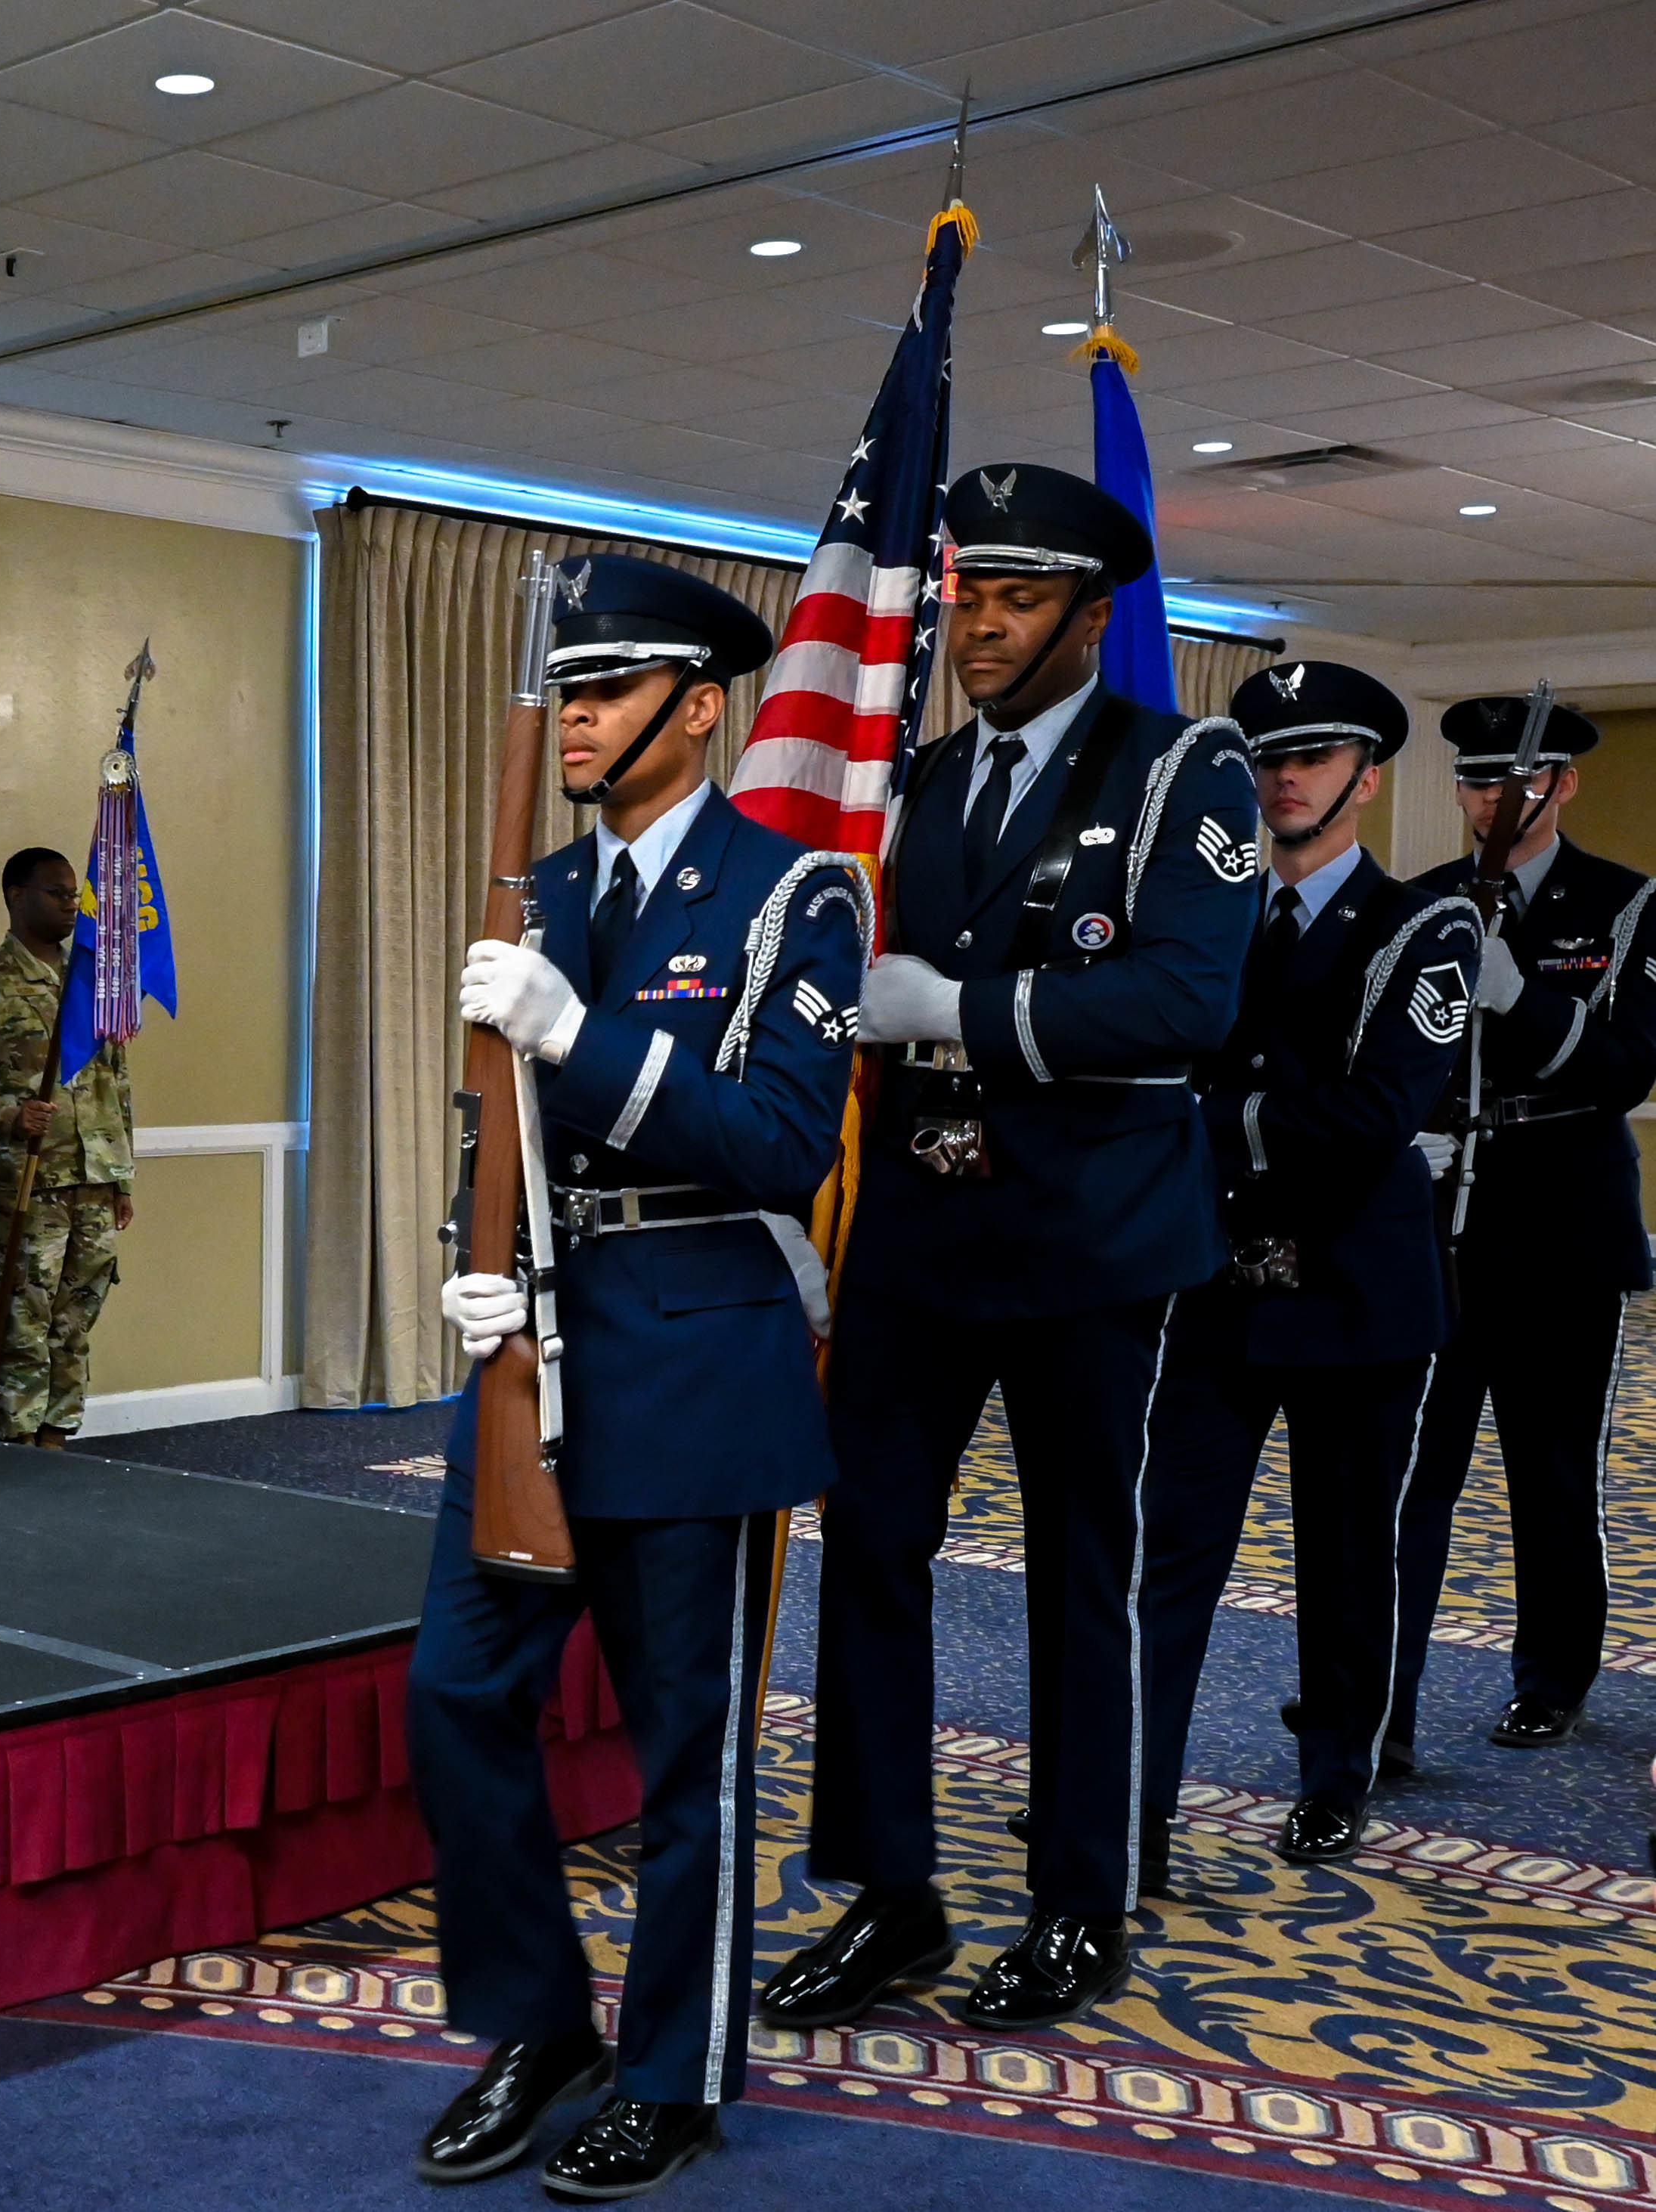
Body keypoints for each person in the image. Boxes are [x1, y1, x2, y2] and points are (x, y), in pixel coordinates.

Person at [768, 465, 1257, 2034]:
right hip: (919, 1219)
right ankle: (892, 1888)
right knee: (873, 1550)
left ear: (1092, 616)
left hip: (1090, 1233)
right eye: (972, 591)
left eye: (1021, 596)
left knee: (1080, 1571)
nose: (981, 622)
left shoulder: (1186, 768)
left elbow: (1188, 1002)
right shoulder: (910, 779)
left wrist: (967, 1011)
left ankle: (1079, 1896)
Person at [421, 556, 865, 2199]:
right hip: (531, 1358)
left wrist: (579, 1032)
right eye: (572, 687)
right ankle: (541, 2023)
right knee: (458, 1695)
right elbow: (487, 1126)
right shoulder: (531, 888)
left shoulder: (793, 895)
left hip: (696, 1356)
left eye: (614, 689)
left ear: (702, 702)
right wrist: (466, 1269)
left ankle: (674, 2071)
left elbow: (781, 1137)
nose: (584, 715)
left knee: (688, 1747)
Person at [1130, 662, 1478, 1873]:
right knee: (1165, 1549)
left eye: (1312, 756)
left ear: (1365, 779)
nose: (1283, 775)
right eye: (1267, 757)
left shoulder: (1423, 926)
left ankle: (1336, 1773)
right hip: (1213, 1282)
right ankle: (1132, 1787)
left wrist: (1192, 1120)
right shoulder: (1204, 910)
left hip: (1355, 1295)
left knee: (1344, 1555)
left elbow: (1376, 1108)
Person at [1392, 699, 1654, 1750]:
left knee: (1547, 1466)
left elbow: (1622, 1065)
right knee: (1407, 1470)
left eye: (1518, 780)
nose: (1493, 800)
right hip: (1428, 1224)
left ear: (1562, 784)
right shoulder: (1416, 904)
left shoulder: (1628, 908)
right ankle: (1382, 1691)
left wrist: (1519, 998)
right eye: (1476, 780)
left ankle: (1551, 1674)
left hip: (1560, 1222)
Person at [0, 847, 134, 1448]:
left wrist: (122, 1178)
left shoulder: (90, 985)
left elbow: (116, 1082)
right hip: (26, 1185)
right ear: (16, 896)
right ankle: (16, 1449)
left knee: (74, 1325)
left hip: (92, 1179)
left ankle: (57, 1441)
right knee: (20, 1325)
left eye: (75, 893)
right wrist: (11, 1115)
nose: (71, 904)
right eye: (56, 893)